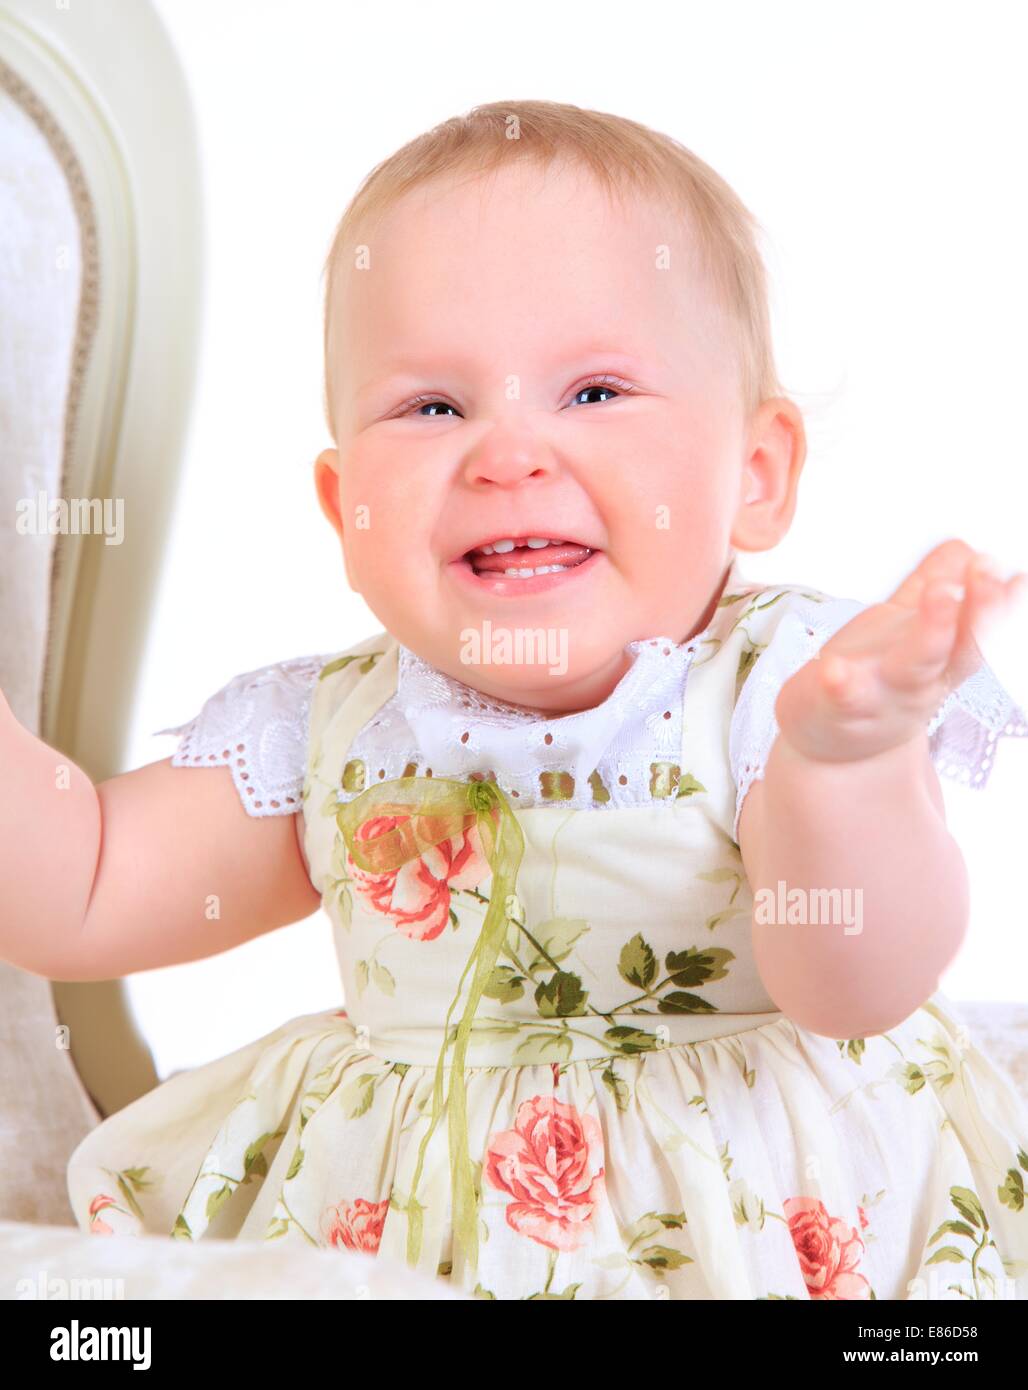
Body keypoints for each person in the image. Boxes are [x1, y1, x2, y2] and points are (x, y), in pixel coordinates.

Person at [4, 100, 1027, 1300]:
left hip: (763, 1249)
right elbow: (73, 893)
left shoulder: (783, 693)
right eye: (431, 407)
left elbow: (854, 983)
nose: (506, 455)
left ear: (753, 475)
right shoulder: (333, 732)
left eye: (593, 392)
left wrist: (842, 766)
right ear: (345, 510)